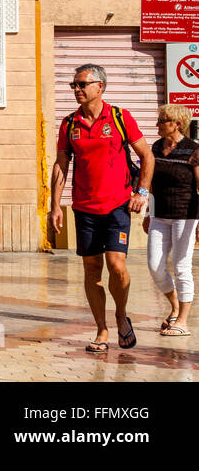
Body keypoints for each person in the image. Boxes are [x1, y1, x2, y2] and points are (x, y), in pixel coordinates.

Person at [49, 63, 155, 353]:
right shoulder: (69, 124)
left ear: (100, 87)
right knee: (91, 269)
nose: (77, 90)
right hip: (84, 208)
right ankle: (102, 329)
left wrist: (142, 192)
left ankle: (121, 315)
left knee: (117, 267)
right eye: (74, 85)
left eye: (82, 84)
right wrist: (55, 205)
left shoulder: (120, 117)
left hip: (117, 206)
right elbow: (61, 165)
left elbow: (147, 156)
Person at [143, 104, 199, 337]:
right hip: (159, 215)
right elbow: (152, 184)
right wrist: (148, 213)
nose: (157, 124)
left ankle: (183, 321)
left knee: (181, 267)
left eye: (162, 120)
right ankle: (175, 307)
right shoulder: (156, 147)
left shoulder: (193, 149)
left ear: (177, 123)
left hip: (185, 216)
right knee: (155, 266)